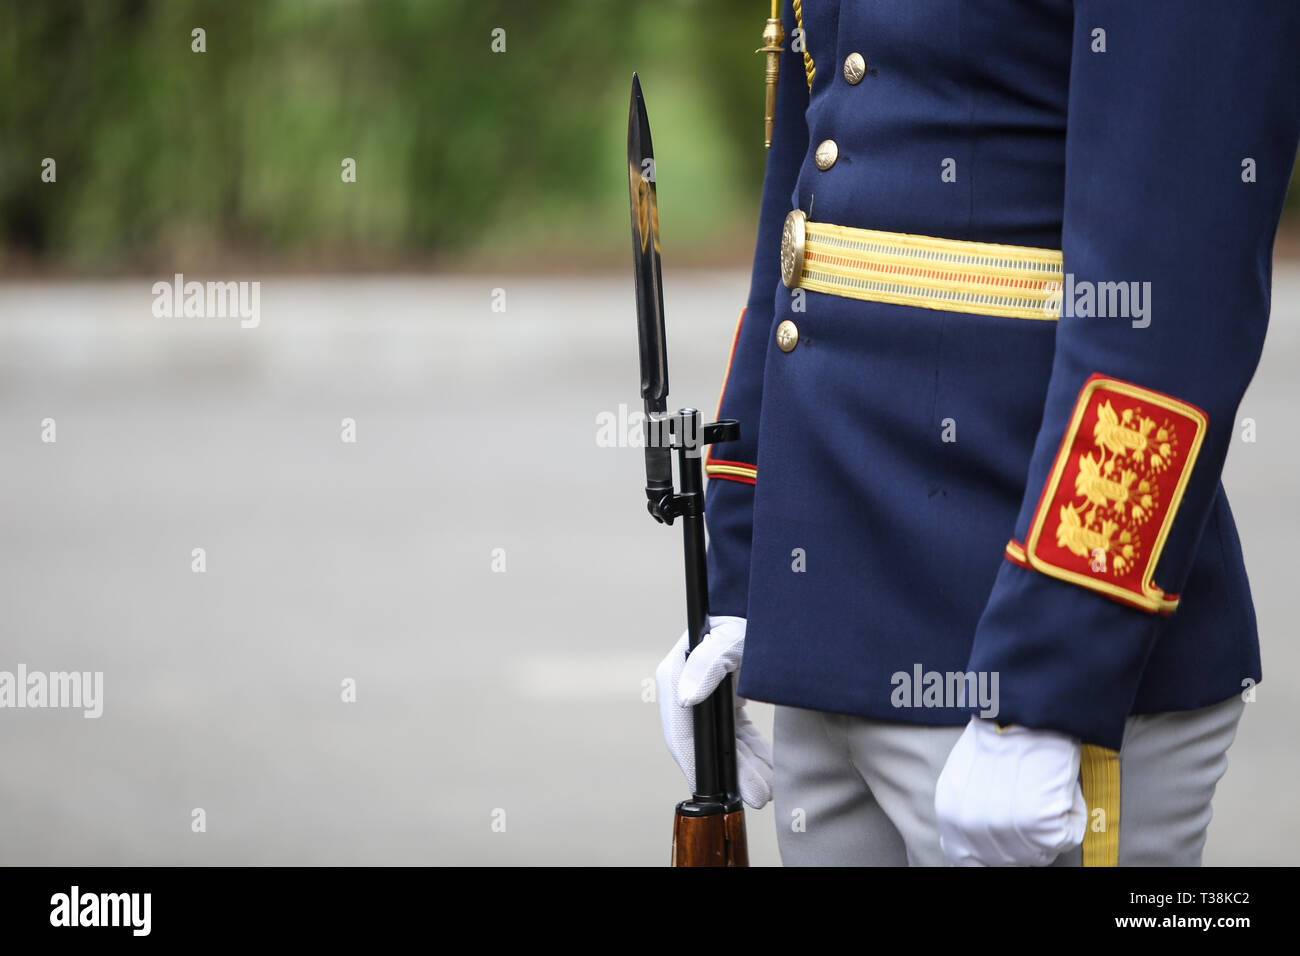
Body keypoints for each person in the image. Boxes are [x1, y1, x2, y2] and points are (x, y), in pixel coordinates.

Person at [655, 0, 1300, 866]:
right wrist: (742, 573)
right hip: (825, 628)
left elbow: (1170, 301)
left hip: (1027, 652)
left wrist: (1051, 676)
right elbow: (805, 217)